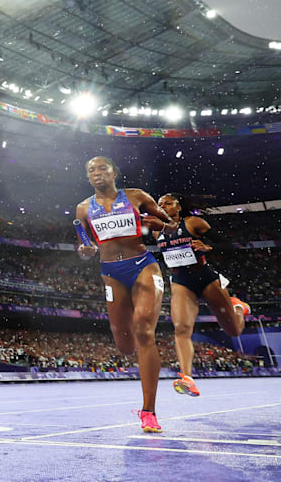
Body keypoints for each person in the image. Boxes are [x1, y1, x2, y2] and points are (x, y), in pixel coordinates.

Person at [74, 156, 175, 433]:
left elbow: (170, 225)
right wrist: (85, 252)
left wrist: (162, 226)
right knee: (125, 345)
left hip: (143, 265)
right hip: (110, 272)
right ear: (88, 176)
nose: (96, 172)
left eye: (102, 168)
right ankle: (146, 404)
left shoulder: (137, 196)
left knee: (144, 330)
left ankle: (149, 411)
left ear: (114, 172)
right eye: (91, 169)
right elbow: (86, 246)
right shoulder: (84, 208)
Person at [154, 193, 250, 397]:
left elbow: (230, 247)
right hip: (180, 282)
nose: (162, 206)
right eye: (159, 204)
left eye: (167, 203)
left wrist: (209, 247)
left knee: (233, 330)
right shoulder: (156, 230)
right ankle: (187, 379)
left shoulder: (193, 223)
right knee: (181, 328)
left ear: (178, 207)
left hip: (205, 279)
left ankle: (239, 307)